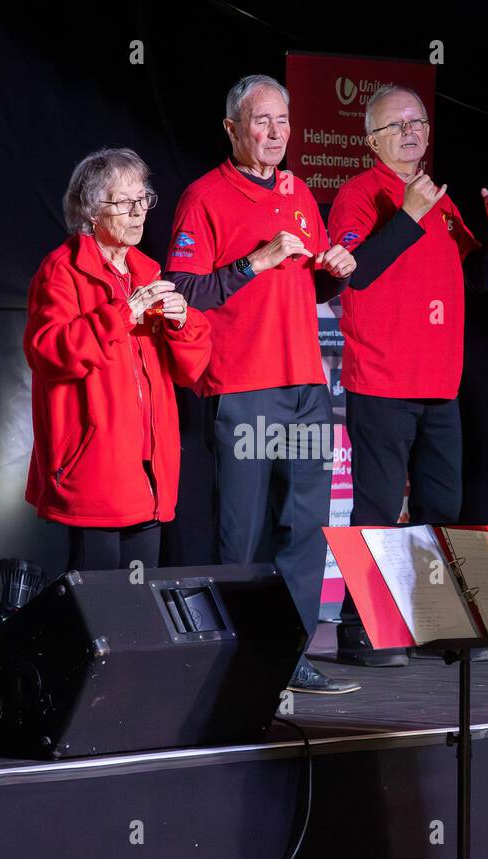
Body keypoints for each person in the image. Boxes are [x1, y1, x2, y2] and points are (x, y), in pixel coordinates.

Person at [165, 75, 358, 695]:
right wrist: (255, 262)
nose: (275, 135)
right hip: (245, 388)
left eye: (283, 122)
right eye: (261, 122)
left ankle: (289, 654)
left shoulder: (301, 191)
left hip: (306, 386)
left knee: (303, 530)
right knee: (241, 533)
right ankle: (235, 657)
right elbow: (185, 291)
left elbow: (308, 287)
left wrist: (334, 273)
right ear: (232, 128)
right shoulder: (202, 197)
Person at [327, 83, 488, 667]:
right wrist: (407, 215)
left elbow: (480, 278)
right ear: (372, 140)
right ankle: (365, 630)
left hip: (440, 385)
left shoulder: (442, 198)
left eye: (419, 122)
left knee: (443, 504)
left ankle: (441, 624)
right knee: (378, 507)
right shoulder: (358, 196)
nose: (411, 131)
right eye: (397, 125)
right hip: (381, 380)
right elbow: (356, 274)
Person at [24, 148, 212, 572]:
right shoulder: (61, 271)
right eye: (123, 203)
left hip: (149, 469)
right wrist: (123, 315)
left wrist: (183, 324)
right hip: (94, 467)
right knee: (100, 611)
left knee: (139, 606)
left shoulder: (148, 272)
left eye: (143, 199)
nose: (138, 212)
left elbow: (190, 368)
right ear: (91, 212)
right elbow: (50, 352)